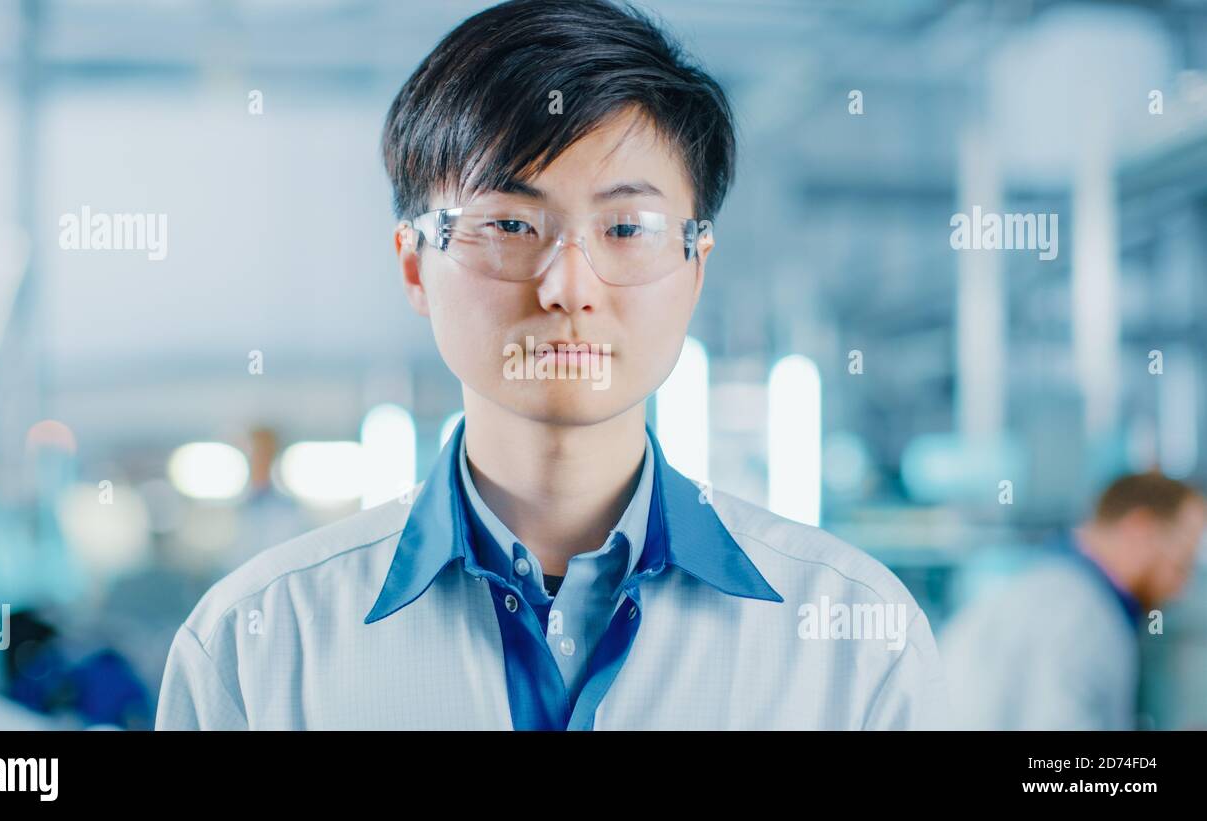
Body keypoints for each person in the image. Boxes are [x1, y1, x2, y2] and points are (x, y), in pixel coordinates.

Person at [155, 0, 947, 730]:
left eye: (625, 229)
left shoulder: (853, 644)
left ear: (695, 268)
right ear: (414, 265)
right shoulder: (256, 648)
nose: (569, 285)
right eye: (509, 224)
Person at [940, 472, 1206, 730]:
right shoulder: (1078, 614)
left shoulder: (1052, 591)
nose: (1180, 590)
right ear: (1140, 529)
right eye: (1182, 565)